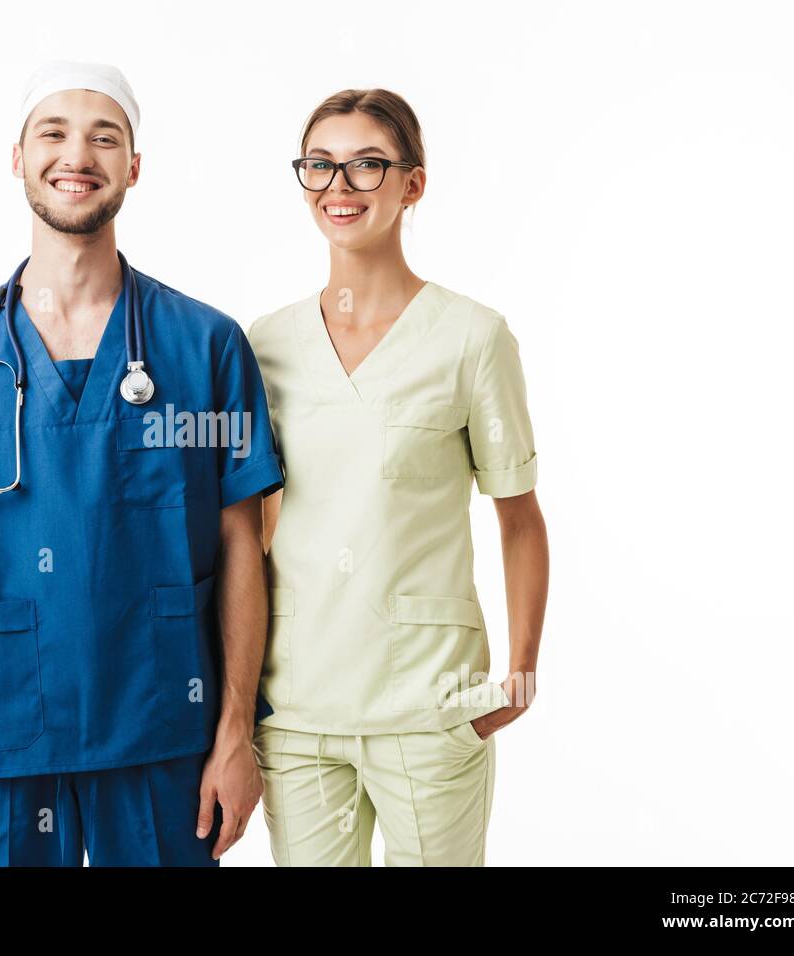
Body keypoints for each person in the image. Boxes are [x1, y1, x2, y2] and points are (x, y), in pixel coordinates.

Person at [0, 60, 283, 866]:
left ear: (133, 167)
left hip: (163, 737)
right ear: (17, 157)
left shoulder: (203, 349)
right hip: (6, 737)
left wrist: (235, 739)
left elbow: (241, 546)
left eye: (103, 137)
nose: (75, 156)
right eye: (53, 133)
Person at [247, 88, 549, 866]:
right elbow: (253, 527)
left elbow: (519, 517)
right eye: (320, 166)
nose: (338, 188)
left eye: (366, 166)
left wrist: (519, 675)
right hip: (297, 710)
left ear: (412, 184)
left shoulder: (472, 339)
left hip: (429, 704)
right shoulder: (266, 345)